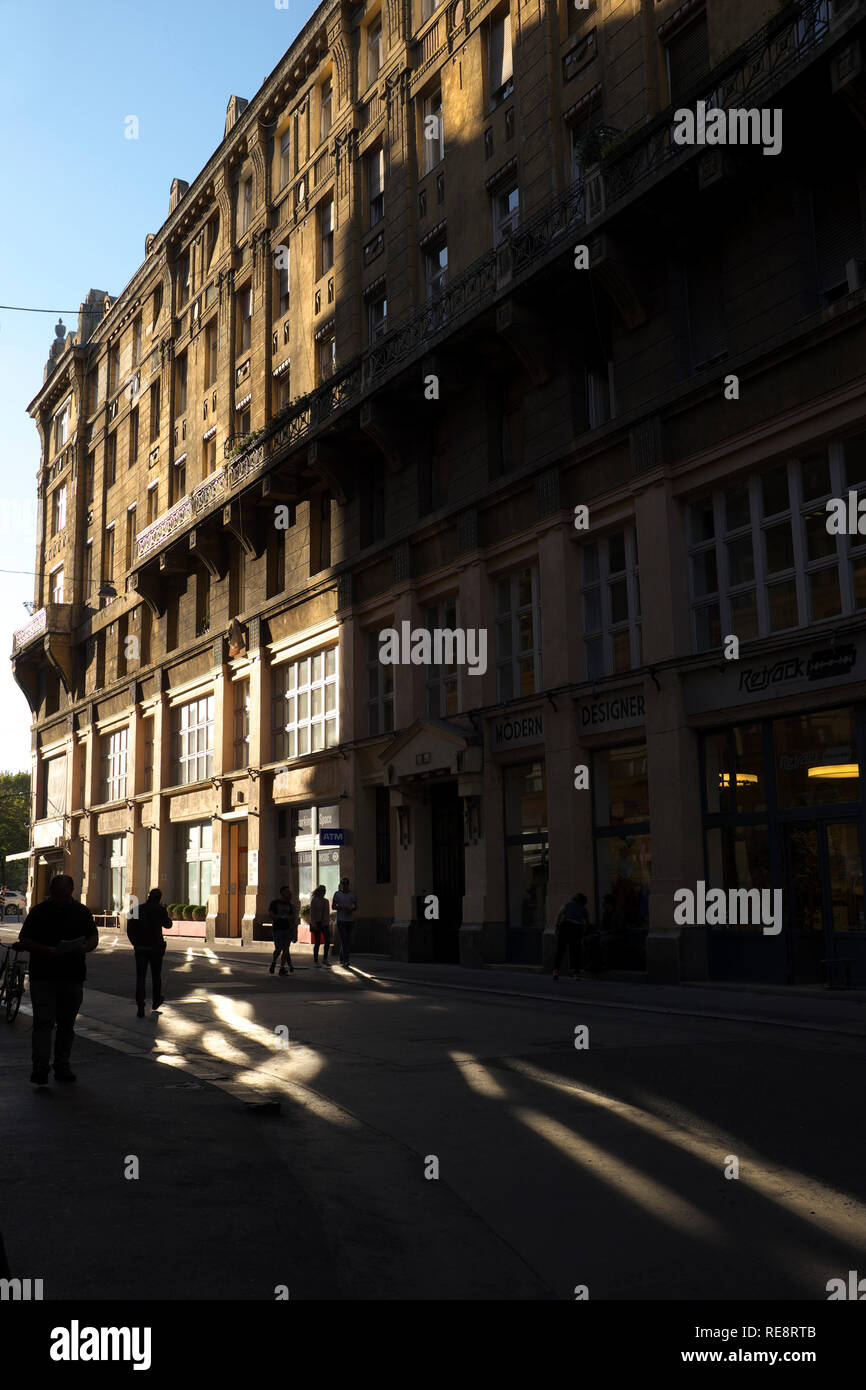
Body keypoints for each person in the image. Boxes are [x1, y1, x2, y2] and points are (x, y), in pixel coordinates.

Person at [17, 874, 98, 1085]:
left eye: (64, 894)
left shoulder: (81, 911)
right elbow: (24, 939)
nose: (61, 898)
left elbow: (93, 937)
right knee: (44, 1023)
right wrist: (48, 950)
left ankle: (61, 1065)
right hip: (44, 976)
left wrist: (84, 947)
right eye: (58, 894)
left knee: (65, 1025)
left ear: (70, 892)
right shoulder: (40, 912)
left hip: (72, 976)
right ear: (51, 892)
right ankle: (41, 1068)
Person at [128, 888, 171, 1017]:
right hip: (156, 948)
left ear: (148, 896)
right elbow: (168, 925)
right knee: (156, 976)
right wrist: (165, 914)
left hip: (141, 948)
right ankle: (156, 1000)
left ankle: (140, 1006)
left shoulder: (136, 909)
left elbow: (130, 929)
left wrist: (135, 944)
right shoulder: (160, 910)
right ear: (159, 899)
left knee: (140, 977)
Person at [552, 892, 589, 980]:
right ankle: (576, 974)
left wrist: (557, 926)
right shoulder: (584, 909)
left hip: (565, 926)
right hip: (577, 928)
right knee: (576, 951)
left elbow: (559, 914)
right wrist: (584, 931)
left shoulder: (567, 905)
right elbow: (586, 922)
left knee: (560, 950)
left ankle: (556, 971)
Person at [268, 885, 298, 976]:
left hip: (287, 929)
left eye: (290, 892)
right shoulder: (275, 903)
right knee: (278, 948)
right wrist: (280, 917)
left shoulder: (289, 905)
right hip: (278, 928)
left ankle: (282, 968)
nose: (289, 893)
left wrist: (293, 930)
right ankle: (273, 962)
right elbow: (271, 914)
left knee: (286, 949)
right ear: (282, 893)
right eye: (287, 892)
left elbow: (292, 917)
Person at [332, 877, 357, 968]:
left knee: (347, 940)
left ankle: (342, 958)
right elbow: (333, 906)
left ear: (348, 884)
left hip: (350, 920)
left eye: (346, 883)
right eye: (343, 883)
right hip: (341, 920)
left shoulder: (352, 894)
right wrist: (342, 908)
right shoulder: (337, 894)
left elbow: (355, 906)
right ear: (341, 884)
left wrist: (351, 909)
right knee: (344, 939)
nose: (345, 885)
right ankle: (346, 960)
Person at [309, 884, 331, 968]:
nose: (324, 892)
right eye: (322, 891)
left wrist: (327, 922)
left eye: (324, 891)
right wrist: (313, 923)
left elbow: (327, 913)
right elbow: (312, 913)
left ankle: (325, 959)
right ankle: (316, 960)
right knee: (317, 942)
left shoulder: (326, 901)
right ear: (318, 891)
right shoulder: (314, 900)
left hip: (324, 923)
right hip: (316, 923)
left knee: (327, 940)